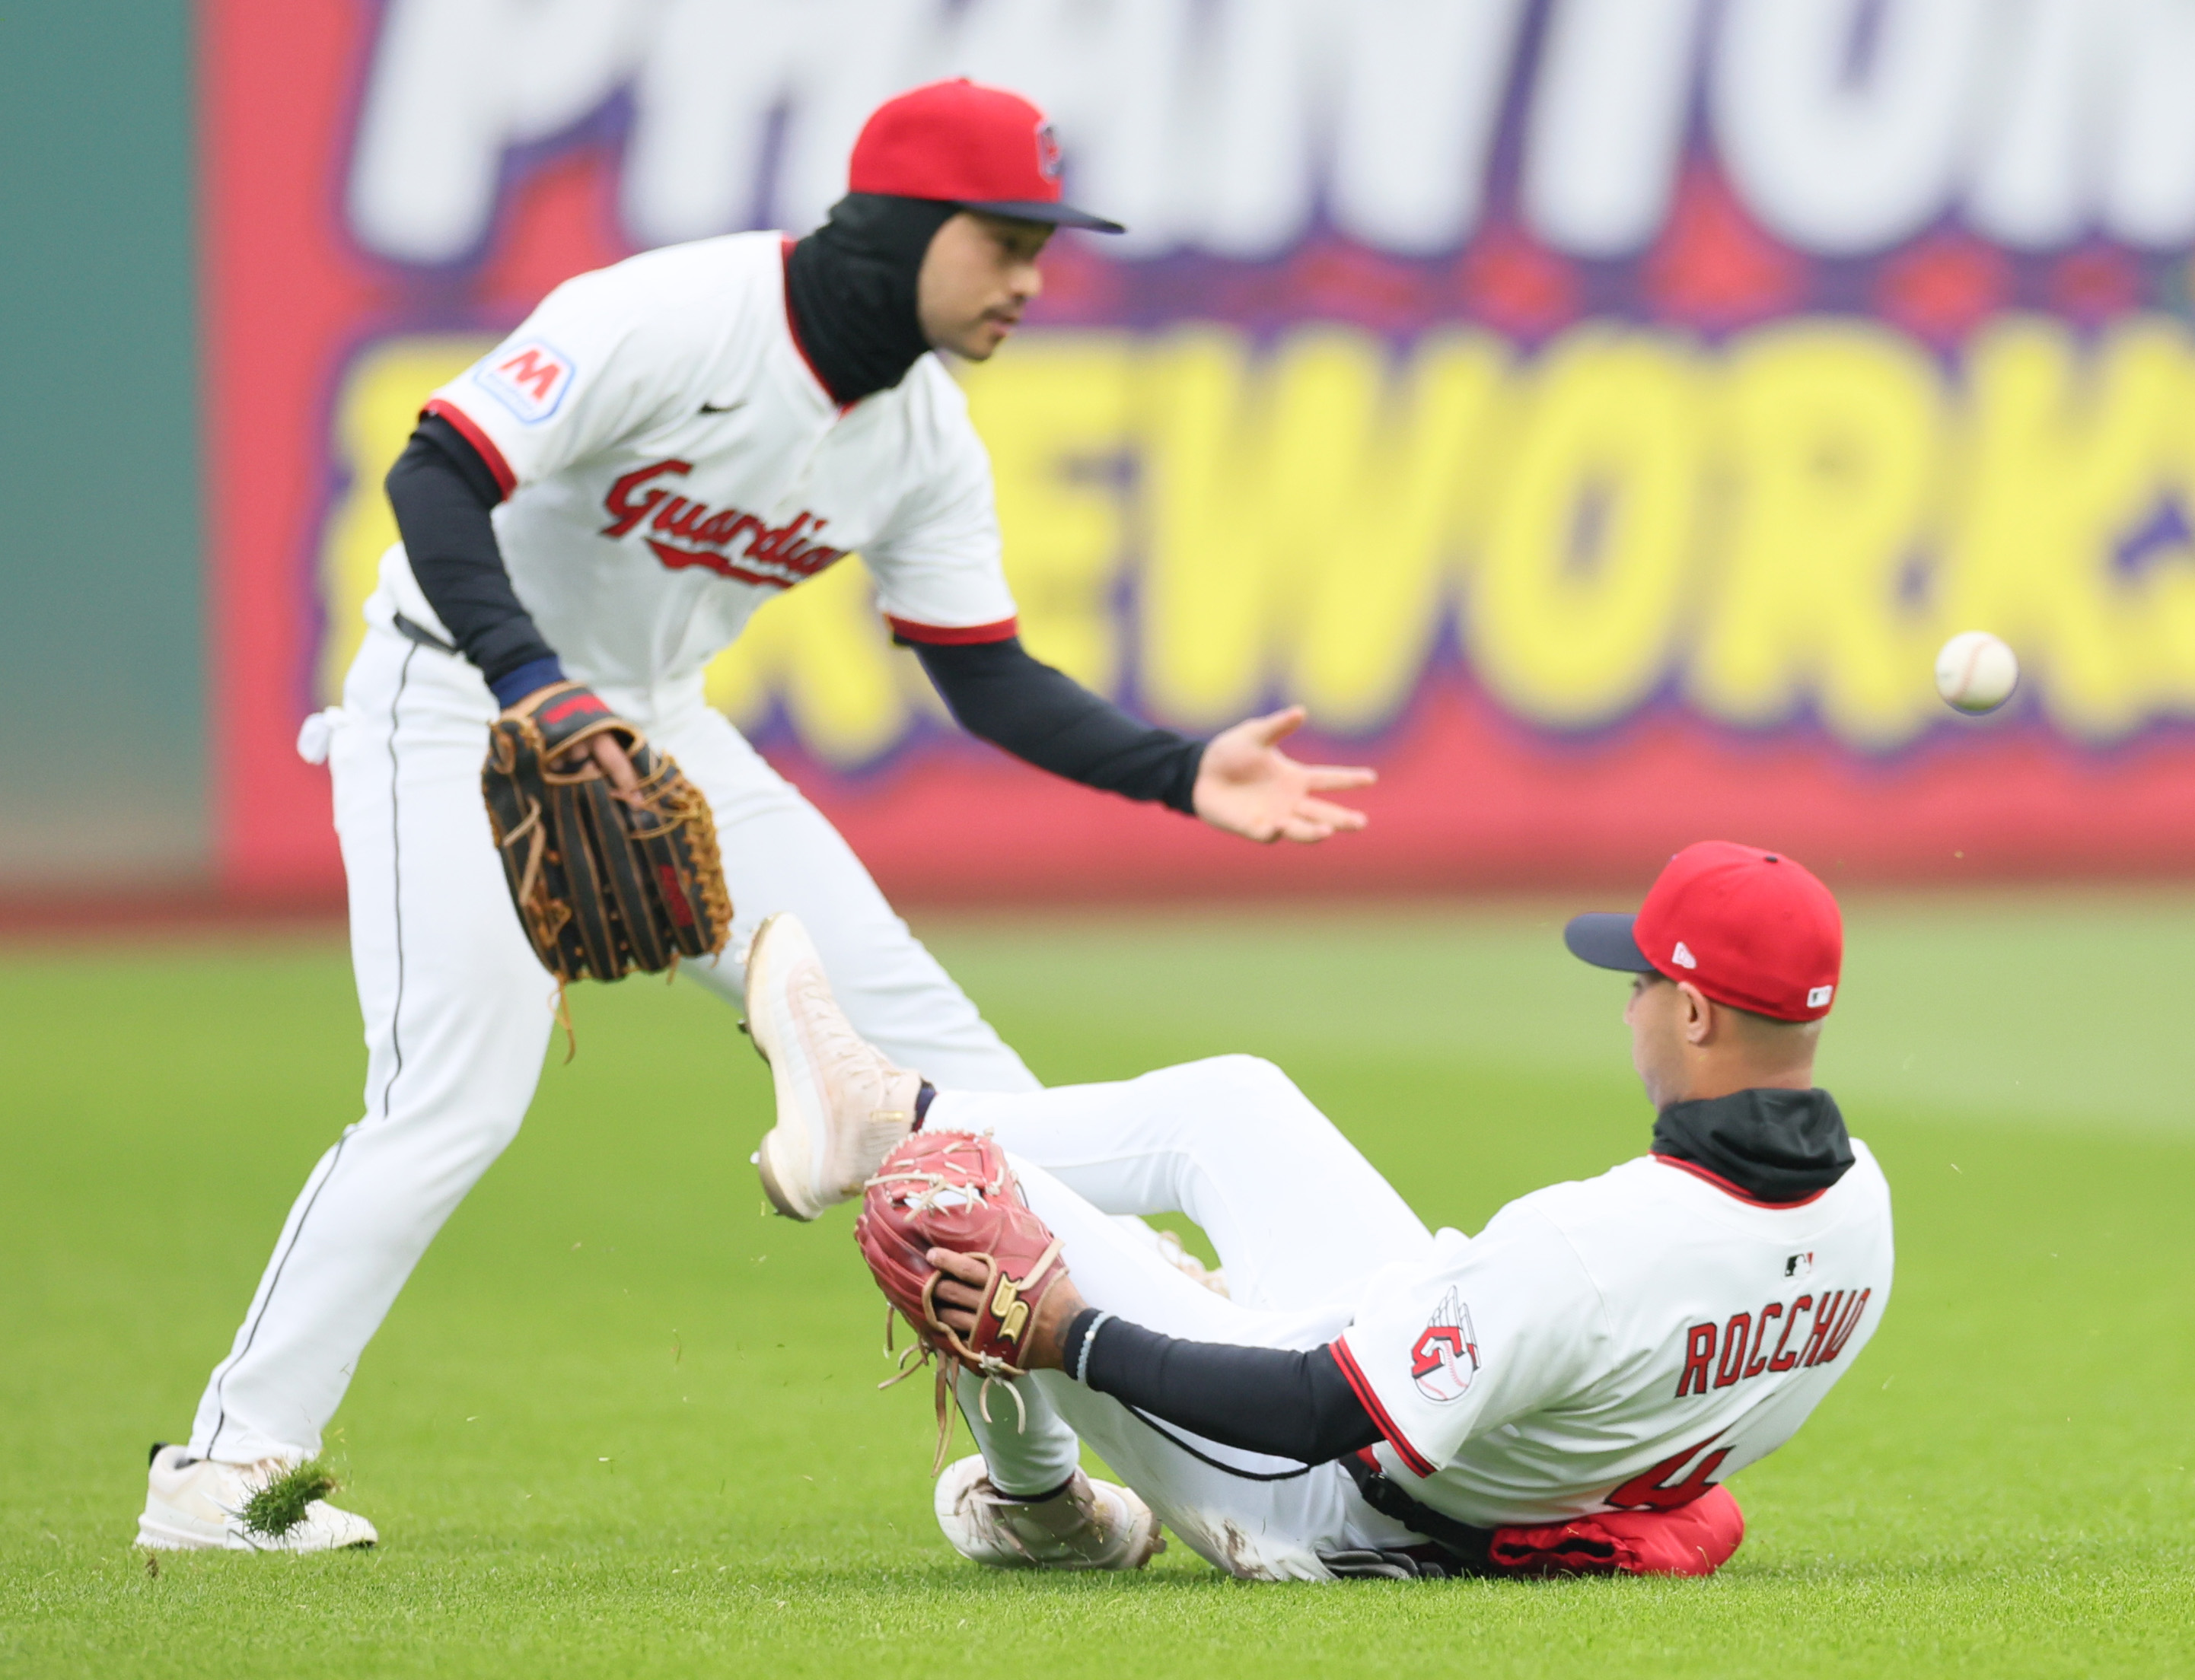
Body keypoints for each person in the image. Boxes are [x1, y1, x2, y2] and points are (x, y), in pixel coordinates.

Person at [138, 78, 1374, 1552]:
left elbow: (982, 676)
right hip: (455, 697)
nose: (1030, 280)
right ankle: (224, 1467)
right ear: (904, 226)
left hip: (660, 726)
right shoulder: (677, 315)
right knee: (450, 1099)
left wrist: (1180, 771)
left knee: (963, 1098)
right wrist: (533, 683)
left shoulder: (919, 435)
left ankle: (1030, 1494)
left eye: (1041, 247)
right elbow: (436, 467)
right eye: (1003, 242)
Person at [745, 842, 1894, 1580]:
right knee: (1235, 1102)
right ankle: (884, 1105)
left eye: (1639, 983)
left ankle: (1045, 1512)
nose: (1627, 1006)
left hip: (1322, 1500)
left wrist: (1075, 1335)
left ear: (1693, 1015)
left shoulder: (1592, 1247)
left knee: (951, 1193)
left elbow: (1308, 1414)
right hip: (1467, 1421)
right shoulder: (1859, 1209)